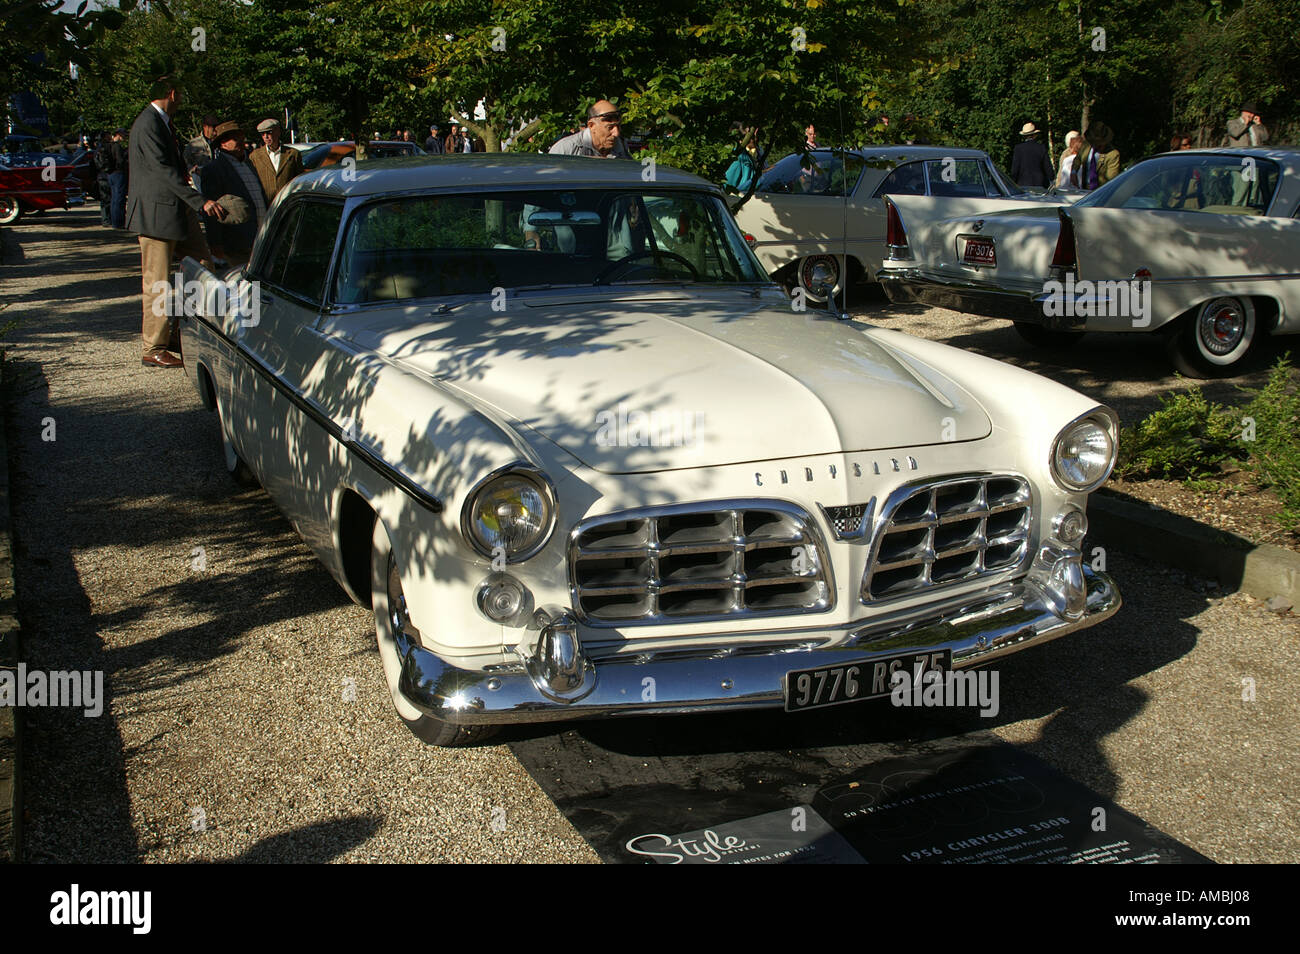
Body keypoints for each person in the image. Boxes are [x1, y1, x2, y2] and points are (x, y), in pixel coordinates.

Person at [126, 77, 226, 369]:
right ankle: (153, 347)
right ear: (172, 94)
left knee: (202, 266)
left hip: (174, 210)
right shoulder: (148, 124)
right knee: (156, 281)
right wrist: (200, 201)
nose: (182, 100)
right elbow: (161, 172)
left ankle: (179, 331)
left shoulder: (161, 123)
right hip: (157, 214)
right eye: (180, 94)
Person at [199, 122, 268, 269]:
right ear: (223, 143)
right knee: (243, 285)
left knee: (257, 284)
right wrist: (215, 243)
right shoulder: (214, 170)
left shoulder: (248, 164)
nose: (242, 142)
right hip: (237, 240)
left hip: (260, 236)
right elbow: (211, 210)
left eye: (242, 137)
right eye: (236, 138)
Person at [549, 100, 631, 158]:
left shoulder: (621, 146)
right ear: (591, 126)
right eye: (610, 127)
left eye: (618, 126)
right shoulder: (566, 149)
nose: (616, 133)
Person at [250, 117, 304, 202]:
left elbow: (299, 179)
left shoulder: (292, 154)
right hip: (266, 204)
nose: (266, 137)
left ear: (278, 132)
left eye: (269, 132)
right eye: (262, 134)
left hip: (287, 202)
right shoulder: (255, 156)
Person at [1073, 121, 1120, 190]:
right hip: (1084, 190)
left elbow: (1111, 180)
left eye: (1099, 144)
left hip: (1101, 193)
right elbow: (1077, 159)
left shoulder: (1113, 155)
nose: (1096, 146)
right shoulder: (1086, 146)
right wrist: (1073, 172)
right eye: (1094, 143)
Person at [1010, 122, 1053, 188]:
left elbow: (1015, 169)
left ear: (1024, 136)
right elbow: (1048, 168)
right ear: (1035, 135)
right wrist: (1051, 179)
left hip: (1022, 184)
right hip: (1040, 184)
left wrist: (1012, 182)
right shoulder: (1041, 148)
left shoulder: (1018, 149)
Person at [183, 114, 219, 192]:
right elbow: (184, 161)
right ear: (205, 127)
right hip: (200, 182)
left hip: (218, 181)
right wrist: (193, 170)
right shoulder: (194, 144)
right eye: (213, 127)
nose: (215, 131)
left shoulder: (220, 143)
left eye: (216, 127)